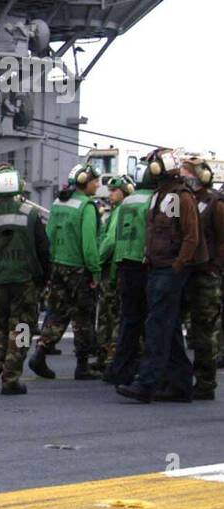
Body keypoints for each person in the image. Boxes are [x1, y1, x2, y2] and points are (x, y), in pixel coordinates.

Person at [118, 149, 200, 403]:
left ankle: (146, 383)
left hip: (168, 271)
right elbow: (160, 233)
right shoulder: (160, 196)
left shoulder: (176, 198)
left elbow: (188, 236)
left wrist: (177, 266)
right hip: (157, 268)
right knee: (170, 328)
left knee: (157, 328)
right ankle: (180, 385)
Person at [0, 165, 49, 394]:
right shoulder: (31, 214)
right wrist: (44, 278)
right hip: (24, 280)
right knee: (23, 328)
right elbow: (43, 249)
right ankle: (11, 377)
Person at [28, 164, 102, 381]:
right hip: (79, 268)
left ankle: (40, 352)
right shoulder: (87, 207)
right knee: (83, 316)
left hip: (57, 265)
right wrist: (95, 271)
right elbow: (89, 243)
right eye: (94, 180)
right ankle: (82, 365)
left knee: (57, 313)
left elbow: (48, 234)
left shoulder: (59, 202)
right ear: (84, 181)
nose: (97, 184)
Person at [105, 171, 154, 386]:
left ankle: (119, 369)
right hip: (145, 265)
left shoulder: (126, 203)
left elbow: (116, 240)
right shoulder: (156, 200)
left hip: (124, 265)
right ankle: (148, 372)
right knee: (152, 322)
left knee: (128, 321)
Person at [180, 154, 223, 399]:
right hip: (185, 273)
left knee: (205, 331)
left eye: (188, 174)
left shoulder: (215, 204)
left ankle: (206, 383)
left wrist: (214, 266)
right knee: (190, 331)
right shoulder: (182, 200)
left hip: (206, 277)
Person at [94, 178, 134, 373]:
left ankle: (109, 358)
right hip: (114, 271)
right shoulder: (119, 210)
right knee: (108, 316)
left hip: (110, 272)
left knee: (110, 316)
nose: (110, 194)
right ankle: (106, 355)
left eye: (114, 191)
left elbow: (110, 241)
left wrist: (97, 262)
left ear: (124, 191)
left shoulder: (120, 212)